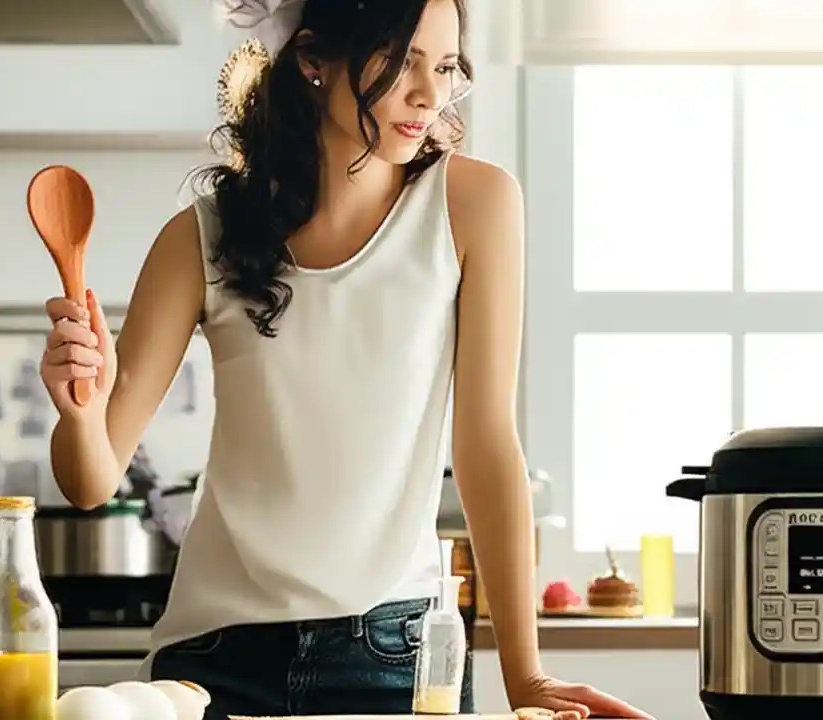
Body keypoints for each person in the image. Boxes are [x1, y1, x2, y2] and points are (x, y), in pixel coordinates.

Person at [38, 0, 652, 718]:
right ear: (313, 60)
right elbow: (90, 482)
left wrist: (527, 676)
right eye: (401, 63)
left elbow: (486, 445)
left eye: (445, 67)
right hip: (214, 659)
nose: (428, 94)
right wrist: (82, 411)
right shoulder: (198, 237)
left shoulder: (476, 205)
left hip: (396, 656)